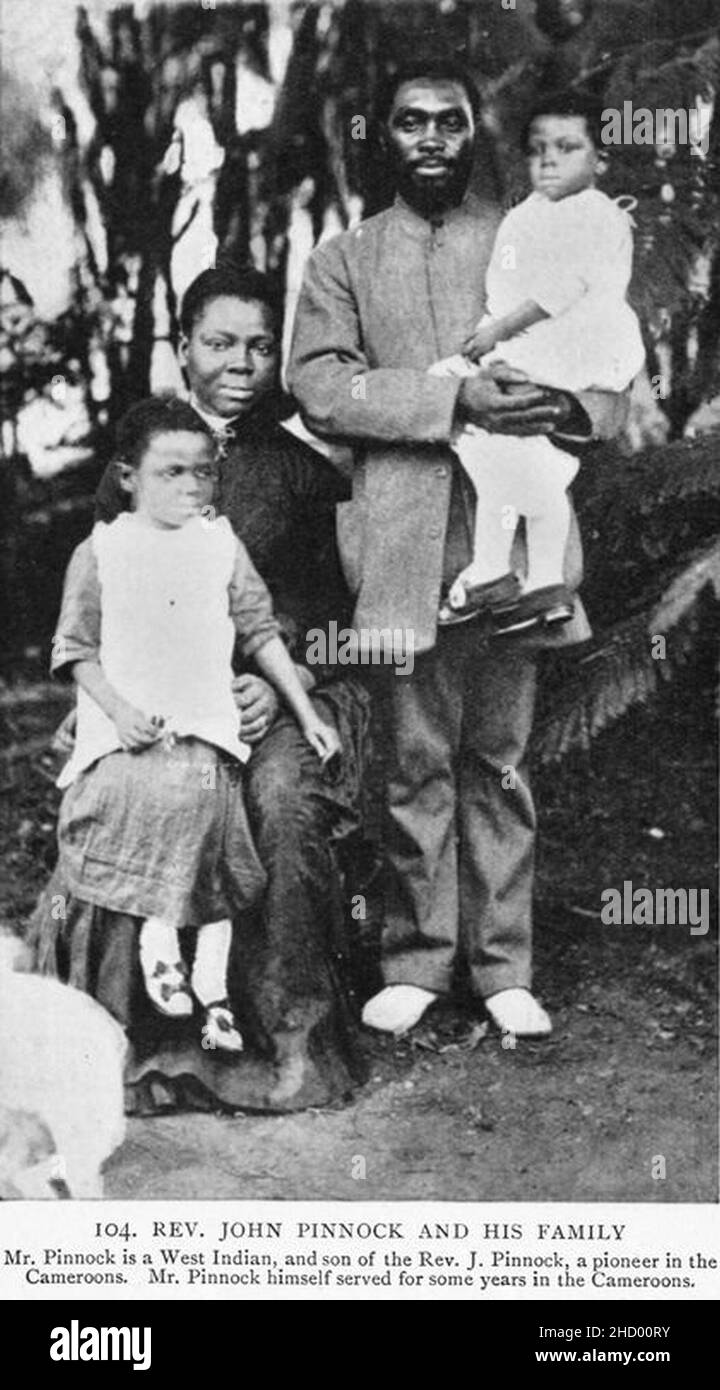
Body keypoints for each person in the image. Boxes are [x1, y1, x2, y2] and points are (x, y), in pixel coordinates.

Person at [289, 55, 630, 1041]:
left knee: (502, 754)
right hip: (402, 543)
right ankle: (415, 957)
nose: (431, 138)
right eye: (410, 122)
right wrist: (449, 398)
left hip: (512, 537)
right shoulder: (344, 259)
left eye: (449, 121)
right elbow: (320, 386)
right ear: (381, 135)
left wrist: (563, 402)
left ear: (475, 133)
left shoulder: (526, 238)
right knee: (414, 759)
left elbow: (600, 352)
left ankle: (502, 962)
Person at [35, 267, 371, 1113]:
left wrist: (287, 670)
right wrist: (95, 709)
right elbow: (106, 602)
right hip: (156, 700)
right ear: (182, 347)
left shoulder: (303, 471)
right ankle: (131, 1039)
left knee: (284, 801)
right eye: (219, 343)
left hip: (273, 695)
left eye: (262, 346)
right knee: (128, 792)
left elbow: (342, 610)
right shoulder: (139, 457)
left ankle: (288, 1040)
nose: (243, 363)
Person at [50, 397, 339, 1058]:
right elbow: (75, 651)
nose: (189, 488)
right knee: (149, 797)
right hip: (127, 723)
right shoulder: (103, 549)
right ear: (128, 476)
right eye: (170, 473)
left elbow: (262, 633)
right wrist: (118, 713)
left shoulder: (219, 544)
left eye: (203, 474)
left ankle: (213, 991)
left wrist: (304, 710)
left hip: (204, 720)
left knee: (215, 808)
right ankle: (157, 942)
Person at [430, 92, 645, 628]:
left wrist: (498, 335)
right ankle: (522, 577)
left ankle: (502, 572)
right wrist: (494, 337)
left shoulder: (598, 215)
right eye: (537, 149)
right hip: (528, 341)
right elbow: (503, 290)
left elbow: (562, 288)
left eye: (567, 148)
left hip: (575, 343)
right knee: (500, 451)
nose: (548, 160)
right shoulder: (528, 214)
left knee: (463, 402)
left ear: (600, 160)